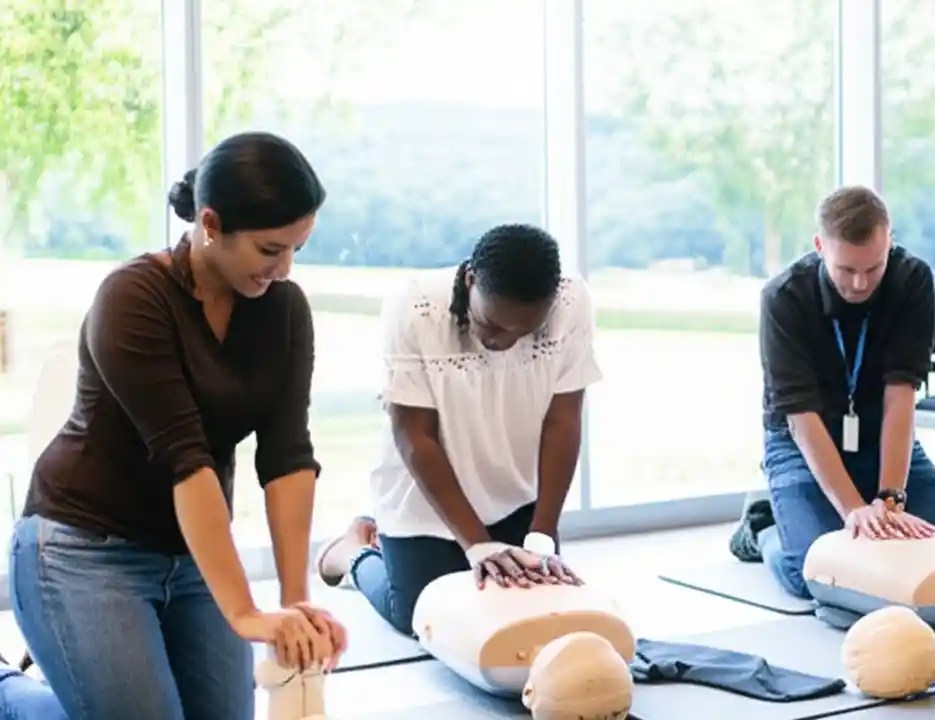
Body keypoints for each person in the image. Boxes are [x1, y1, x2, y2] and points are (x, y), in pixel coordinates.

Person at [9, 131, 348, 720]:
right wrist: (244, 614)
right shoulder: (132, 297)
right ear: (211, 224)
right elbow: (186, 460)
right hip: (83, 549)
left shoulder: (283, 308)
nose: (285, 268)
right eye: (270, 250)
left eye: (297, 248)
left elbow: (288, 456)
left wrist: (295, 601)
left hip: (190, 555)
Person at [317, 223, 601, 637]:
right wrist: (476, 544)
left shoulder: (571, 302)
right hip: (425, 496)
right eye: (494, 325)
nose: (506, 341)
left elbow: (564, 420)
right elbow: (416, 436)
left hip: (513, 494)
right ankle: (353, 550)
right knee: (419, 615)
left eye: (524, 331)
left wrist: (542, 533)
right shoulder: (414, 307)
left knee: (526, 606)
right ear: (470, 281)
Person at [747, 185, 935, 598]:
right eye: (846, 270)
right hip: (801, 441)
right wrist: (854, 511)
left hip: (878, 429)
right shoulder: (782, 298)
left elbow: (900, 398)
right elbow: (801, 420)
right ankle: (763, 528)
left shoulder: (912, 279)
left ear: (890, 242)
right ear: (819, 246)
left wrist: (889, 501)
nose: (861, 283)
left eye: (874, 267)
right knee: (815, 573)